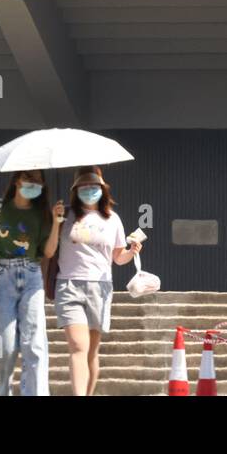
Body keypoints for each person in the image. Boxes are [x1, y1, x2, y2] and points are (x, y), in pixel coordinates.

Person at [0, 169, 62, 396]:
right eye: (29, 179)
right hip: (1, 276)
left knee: (35, 344)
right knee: (4, 344)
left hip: (31, 276)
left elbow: (49, 252)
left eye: (38, 181)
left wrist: (57, 222)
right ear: (17, 181)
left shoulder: (41, 213)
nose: (33, 184)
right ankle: (3, 390)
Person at [54, 166, 141, 396]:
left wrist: (132, 252)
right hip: (69, 285)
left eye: (93, 186)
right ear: (75, 189)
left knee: (92, 351)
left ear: (103, 189)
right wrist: (55, 220)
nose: (89, 190)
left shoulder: (112, 219)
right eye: (83, 186)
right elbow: (50, 249)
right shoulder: (65, 215)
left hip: (100, 287)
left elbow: (118, 258)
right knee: (77, 346)